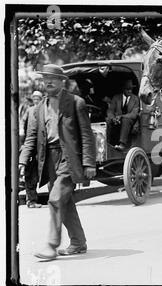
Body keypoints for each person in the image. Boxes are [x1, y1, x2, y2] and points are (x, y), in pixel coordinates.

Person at [19, 64, 96, 260]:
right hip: (49, 159)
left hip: (69, 158)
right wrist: (22, 161)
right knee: (65, 202)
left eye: (53, 78)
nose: (48, 82)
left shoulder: (76, 102)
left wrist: (89, 163)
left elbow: (86, 136)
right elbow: (31, 137)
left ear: (63, 81)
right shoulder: (37, 109)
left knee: (55, 199)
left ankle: (51, 246)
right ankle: (78, 242)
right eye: (45, 78)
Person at [20, 91, 44, 208]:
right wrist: (23, 143)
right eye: (34, 98)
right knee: (30, 172)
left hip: (42, 143)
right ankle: (31, 200)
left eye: (37, 98)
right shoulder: (29, 110)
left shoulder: (44, 109)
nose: (36, 100)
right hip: (30, 142)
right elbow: (22, 125)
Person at [107, 79, 140, 151]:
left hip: (130, 122)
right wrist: (113, 118)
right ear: (123, 89)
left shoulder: (136, 99)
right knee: (108, 120)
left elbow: (133, 115)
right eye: (127, 89)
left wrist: (121, 117)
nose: (130, 91)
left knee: (126, 120)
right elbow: (110, 111)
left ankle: (122, 144)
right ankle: (108, 144)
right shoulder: (116, 97)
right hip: (117, 120)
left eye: (131, 89)